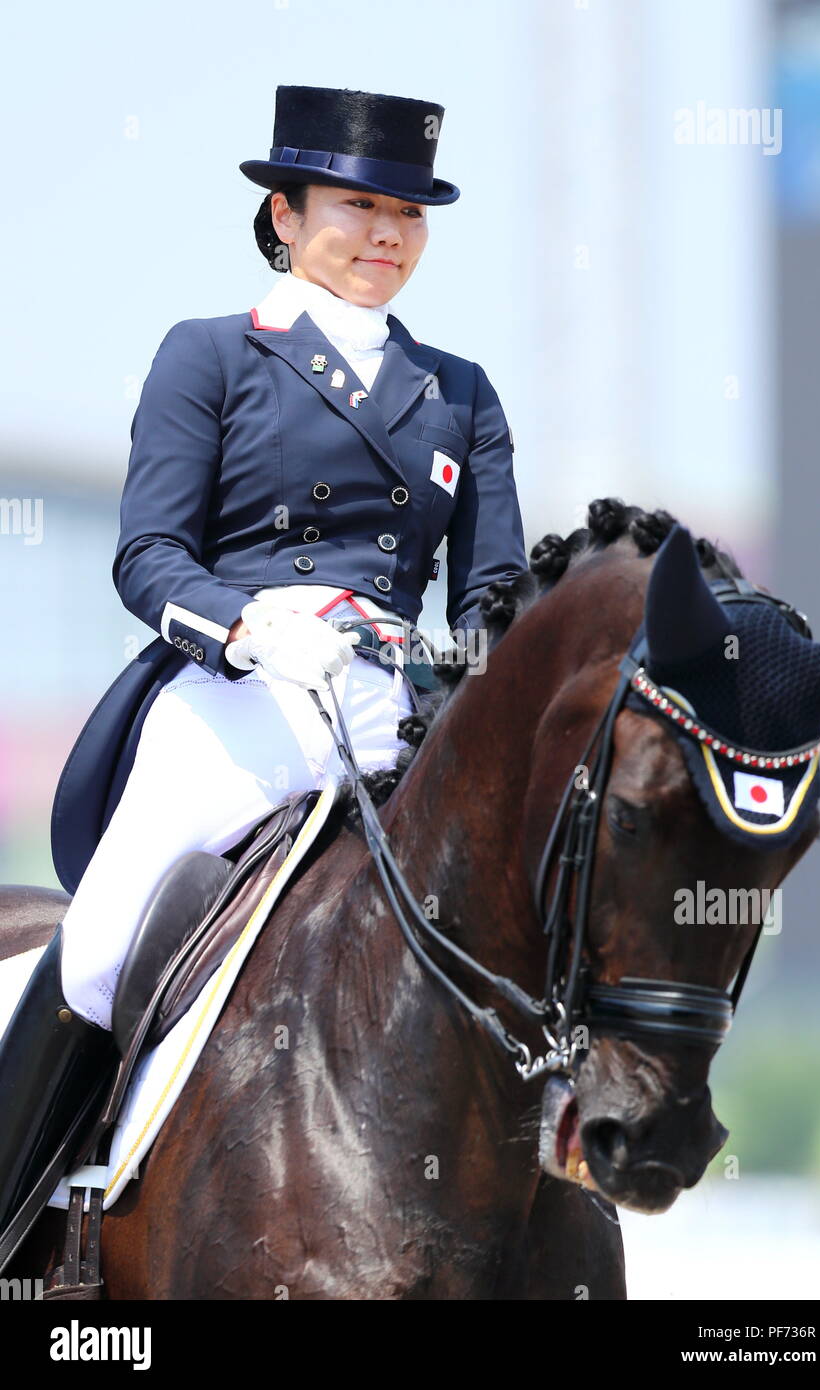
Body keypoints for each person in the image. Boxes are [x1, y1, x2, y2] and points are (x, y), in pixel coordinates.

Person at [0, 85, 527, 1244]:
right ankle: (21, 1220)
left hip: (394, 717)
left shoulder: (459, 392)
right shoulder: (212, 356)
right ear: (284, 215)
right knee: (95, 952)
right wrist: (246, 627)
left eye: (409, 212)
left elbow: (492, 589)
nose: (388, 232)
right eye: (359, 204)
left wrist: (476, 667)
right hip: (242, 705)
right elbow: (147, 554)